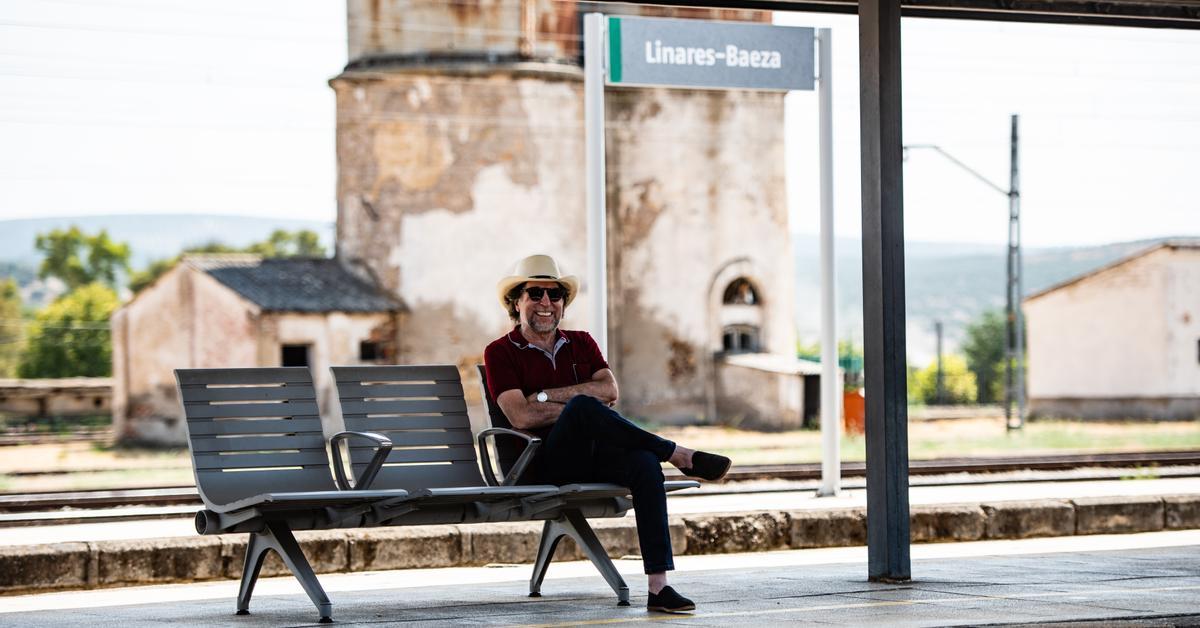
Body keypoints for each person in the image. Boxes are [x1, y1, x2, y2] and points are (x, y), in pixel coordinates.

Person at [483, 253, 731, 614]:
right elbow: (519, 416)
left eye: (555, 296)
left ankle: (659, 588)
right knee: (585, 408)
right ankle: (679, 455)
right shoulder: (500, 352)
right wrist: (580, 404)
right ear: (516, 302)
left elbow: (610, 391)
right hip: (538, 464)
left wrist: (546, 396)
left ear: (563, 304)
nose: (546, 303)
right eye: (535, 293)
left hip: (591, 455)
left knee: (645, 463)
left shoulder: (582, 342)